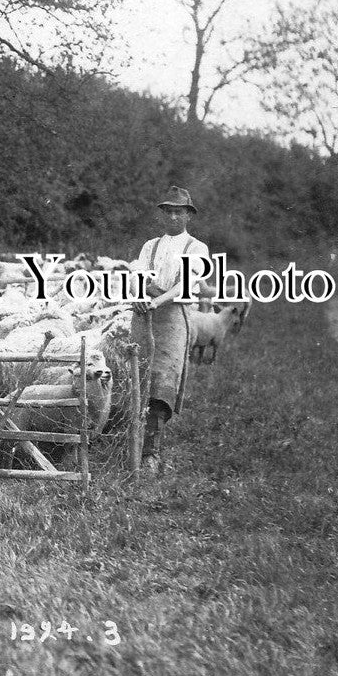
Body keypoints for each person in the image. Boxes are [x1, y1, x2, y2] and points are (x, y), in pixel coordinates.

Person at [130, 186, 213, 475]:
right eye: (169, 212)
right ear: (163, 214)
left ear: (189, 215)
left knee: (163, 383)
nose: (174, 217)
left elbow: (186, 284)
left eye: (180, 212)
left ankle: (150, 454)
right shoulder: (149, 246)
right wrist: (139, 296)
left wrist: (157, 301)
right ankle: (129, 446)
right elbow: (137, 275)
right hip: (142, 317)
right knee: (136, 382)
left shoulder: (197, 248)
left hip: (173, 318)